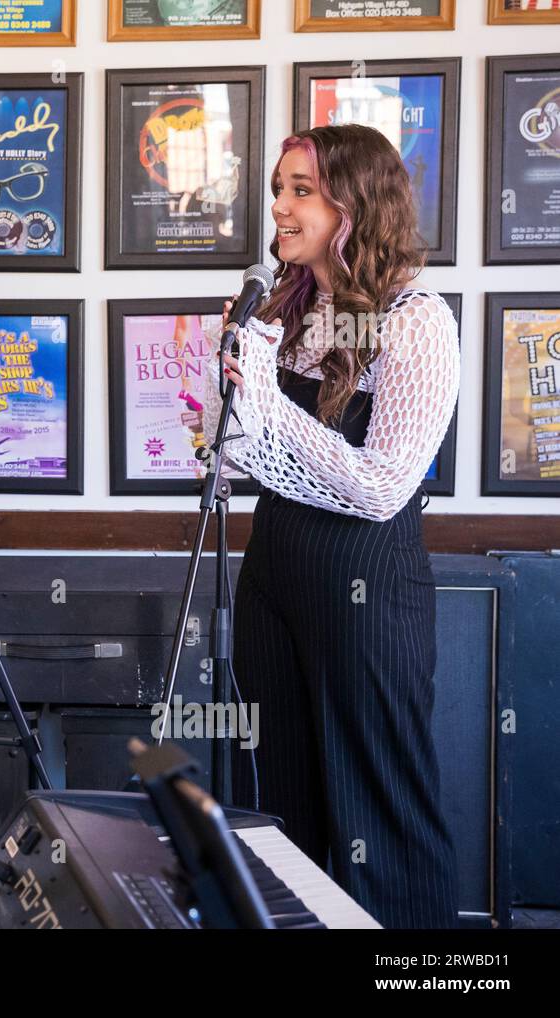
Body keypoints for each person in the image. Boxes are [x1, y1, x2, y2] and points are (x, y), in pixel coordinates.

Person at [199, 124, 461, 928]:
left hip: (366, 587)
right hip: (275, 569)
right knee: (282, 793)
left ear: (357, 202)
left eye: (301, 190)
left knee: (377, 800)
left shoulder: (417, 320)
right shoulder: (291, 309)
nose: (279, 206)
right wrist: (225, 413)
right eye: (278, 188)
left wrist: (271, 411)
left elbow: (382, 487)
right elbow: (261, 461)